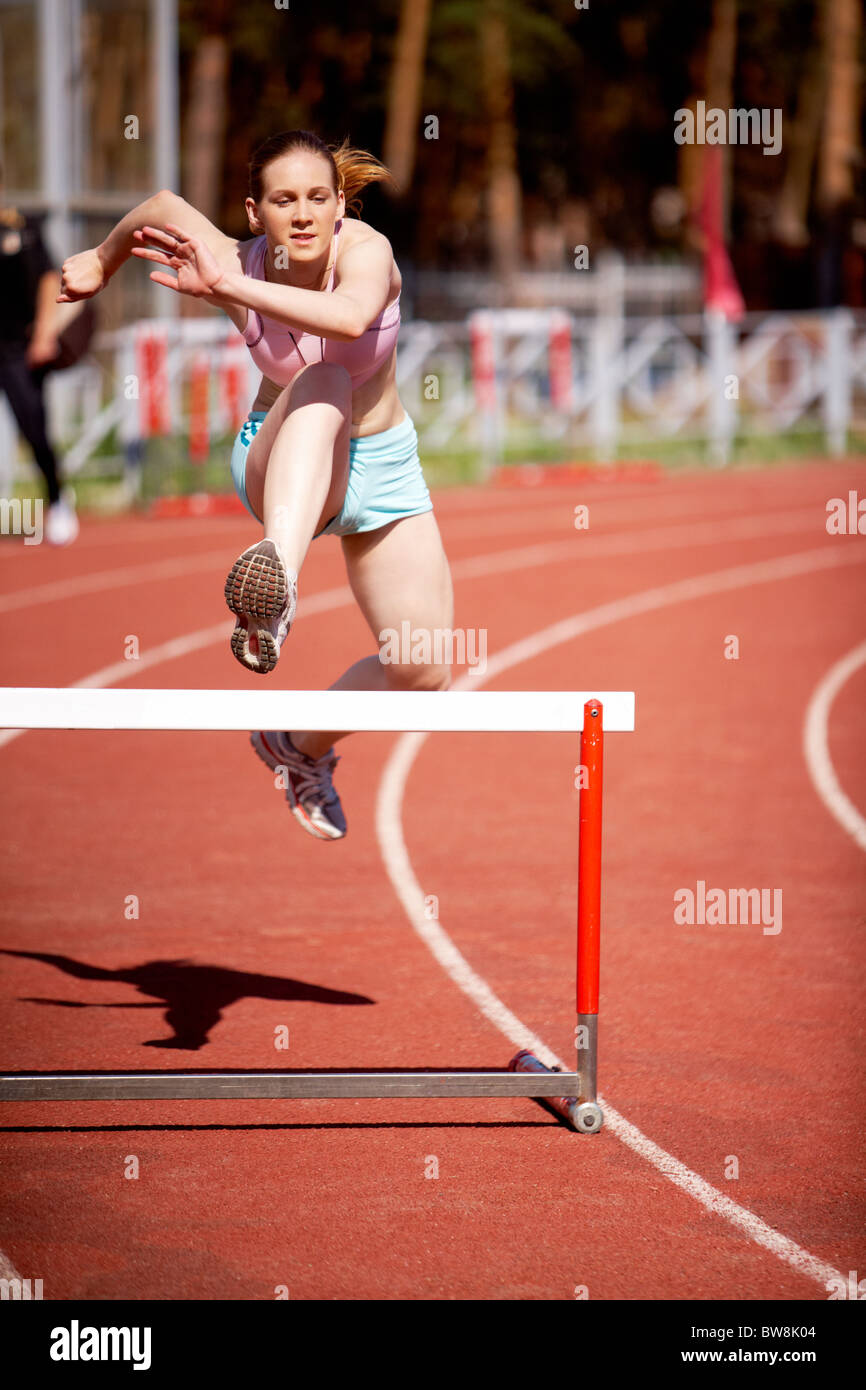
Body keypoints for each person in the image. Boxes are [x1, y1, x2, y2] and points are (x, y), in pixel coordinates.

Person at [57, 130, 453, 841]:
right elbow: (162, 204)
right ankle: (276, 587)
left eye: (316, 198)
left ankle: (293, 746)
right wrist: (100, 258)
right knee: (325, 377)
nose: (302, 215)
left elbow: (353, 317)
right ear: (253, 210)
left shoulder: (364, 252)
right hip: (286, 463)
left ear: (339, 205)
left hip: (384, 469)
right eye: (283, 200)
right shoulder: (235, 256)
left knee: (424, 670)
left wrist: (228, 288)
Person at [0, 165, 78, 544]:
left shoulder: (20, 227)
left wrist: (45, 334)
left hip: (19, 350)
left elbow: (49, 277)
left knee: (33, 428)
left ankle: (58, 498)